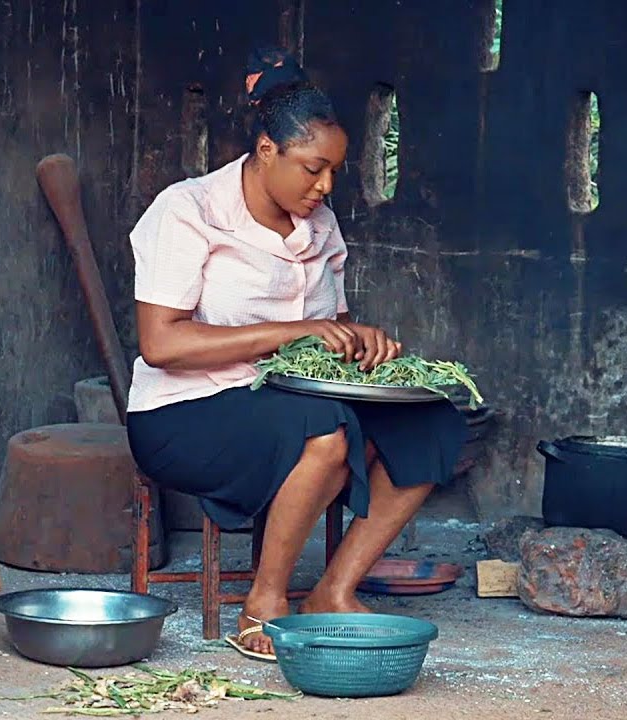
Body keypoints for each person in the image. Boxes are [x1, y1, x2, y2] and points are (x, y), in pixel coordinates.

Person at [125, 49, 466, 661]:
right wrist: (293, 331)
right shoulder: (189, 211)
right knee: (325, 430)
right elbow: (163, 344)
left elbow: (324, 332)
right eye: (313, 169)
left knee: (434, 422)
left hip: (287, 402)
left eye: (334, 171)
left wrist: (359, 338)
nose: (325, 186)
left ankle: (333, 591)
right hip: (184, 412)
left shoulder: (321, 224)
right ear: (266, 152)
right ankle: (264, 602)